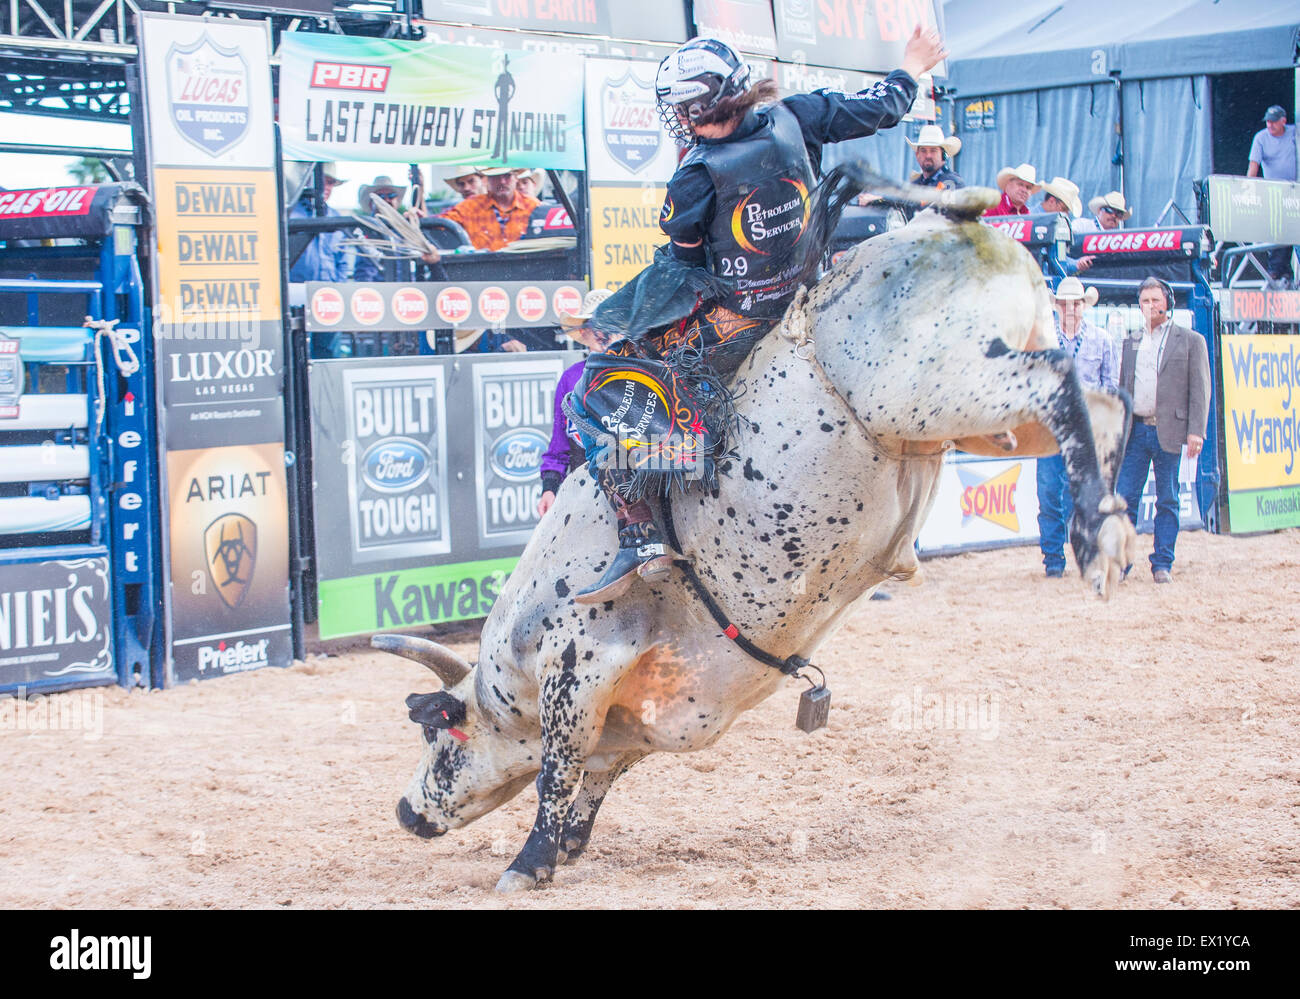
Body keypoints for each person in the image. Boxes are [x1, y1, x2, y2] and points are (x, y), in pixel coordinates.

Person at [568, 28, 947, 603]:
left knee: (598, 383)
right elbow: (884, 108)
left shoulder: (696, 175)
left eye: (678, 108)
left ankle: (643, 532)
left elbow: (683, 274)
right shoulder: (799, 115)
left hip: (741, 322)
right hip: (809, 297)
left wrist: (624, 315)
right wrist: (911, 67)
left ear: (696, 108)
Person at [1116, 277, 1210, 584]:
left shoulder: (1190, 340)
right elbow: (1123, 387)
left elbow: (1200, 389)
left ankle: (1162, 563)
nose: (1151, 306)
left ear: (1167, 302)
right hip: (1137, 429)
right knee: (1126, 497)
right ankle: (1122, 562)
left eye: (1156, 300)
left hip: (1168, 429)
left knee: (1168, 497)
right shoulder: (1131, 341)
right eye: (1145, 301)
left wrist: (1196, 430)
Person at [1035, 277, 1117, 578]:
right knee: (1048, 495)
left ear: (1084, 305)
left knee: (1082, 498)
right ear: (1056, 307)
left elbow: (1110, 389)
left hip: (1085, 433)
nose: (1070, 308)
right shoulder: (1043, 340)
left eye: (1076, 303)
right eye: (1065, 304)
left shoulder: (1103, 340)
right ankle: (1053, 560)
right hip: (1050, 430)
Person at [538, 289, 615, 518]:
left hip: (635, 491)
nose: (605, 331)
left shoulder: (638, 373)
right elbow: (559, 443)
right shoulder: (571, 379)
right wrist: (549, 488)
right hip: (586, 493)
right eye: (598, 324)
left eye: (612, 321)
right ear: (585, 332)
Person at [1247, 105, 1296, 284]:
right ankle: (1276, 271)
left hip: (1295, 192)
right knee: (1279, 232)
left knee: (1294, 231)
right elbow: (1253, 166)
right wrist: (1248, 189)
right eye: (1268, 121)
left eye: (1274, 121)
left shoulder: (1294, 133)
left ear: (1283, 120)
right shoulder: (1260, 138)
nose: (1270, 125)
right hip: (1273, 194)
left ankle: (1285, 272)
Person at [438, 167, 539, 251]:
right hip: (483, 271)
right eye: (495, 176)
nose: (502, 181)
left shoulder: (534, 206)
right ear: (487, 180)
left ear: (516, 178)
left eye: (507, 176)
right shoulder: (468, 207)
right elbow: (437, 224)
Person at [288, 163, 351, 284]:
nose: (326, 187)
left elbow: (342, 261)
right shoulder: (289, 214)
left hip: (329, 293)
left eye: (330, 182)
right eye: (321, 180)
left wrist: (339, 289)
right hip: (296, 292)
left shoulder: (336, 216)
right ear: (307, 181)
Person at [1038, 176, 1095, 274]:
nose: (1066, 215)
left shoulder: (1057, 224)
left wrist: (1078, 263)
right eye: (1064, 209)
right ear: (1051, 201)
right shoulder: (1027, 217)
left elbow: (1060, 259)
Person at [904, 123, 963, 189]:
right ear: (917, 155)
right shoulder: (915, 185)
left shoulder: (952, 183)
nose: (928, 155)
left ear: (943, 154)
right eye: (923, 151)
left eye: (933, 150)